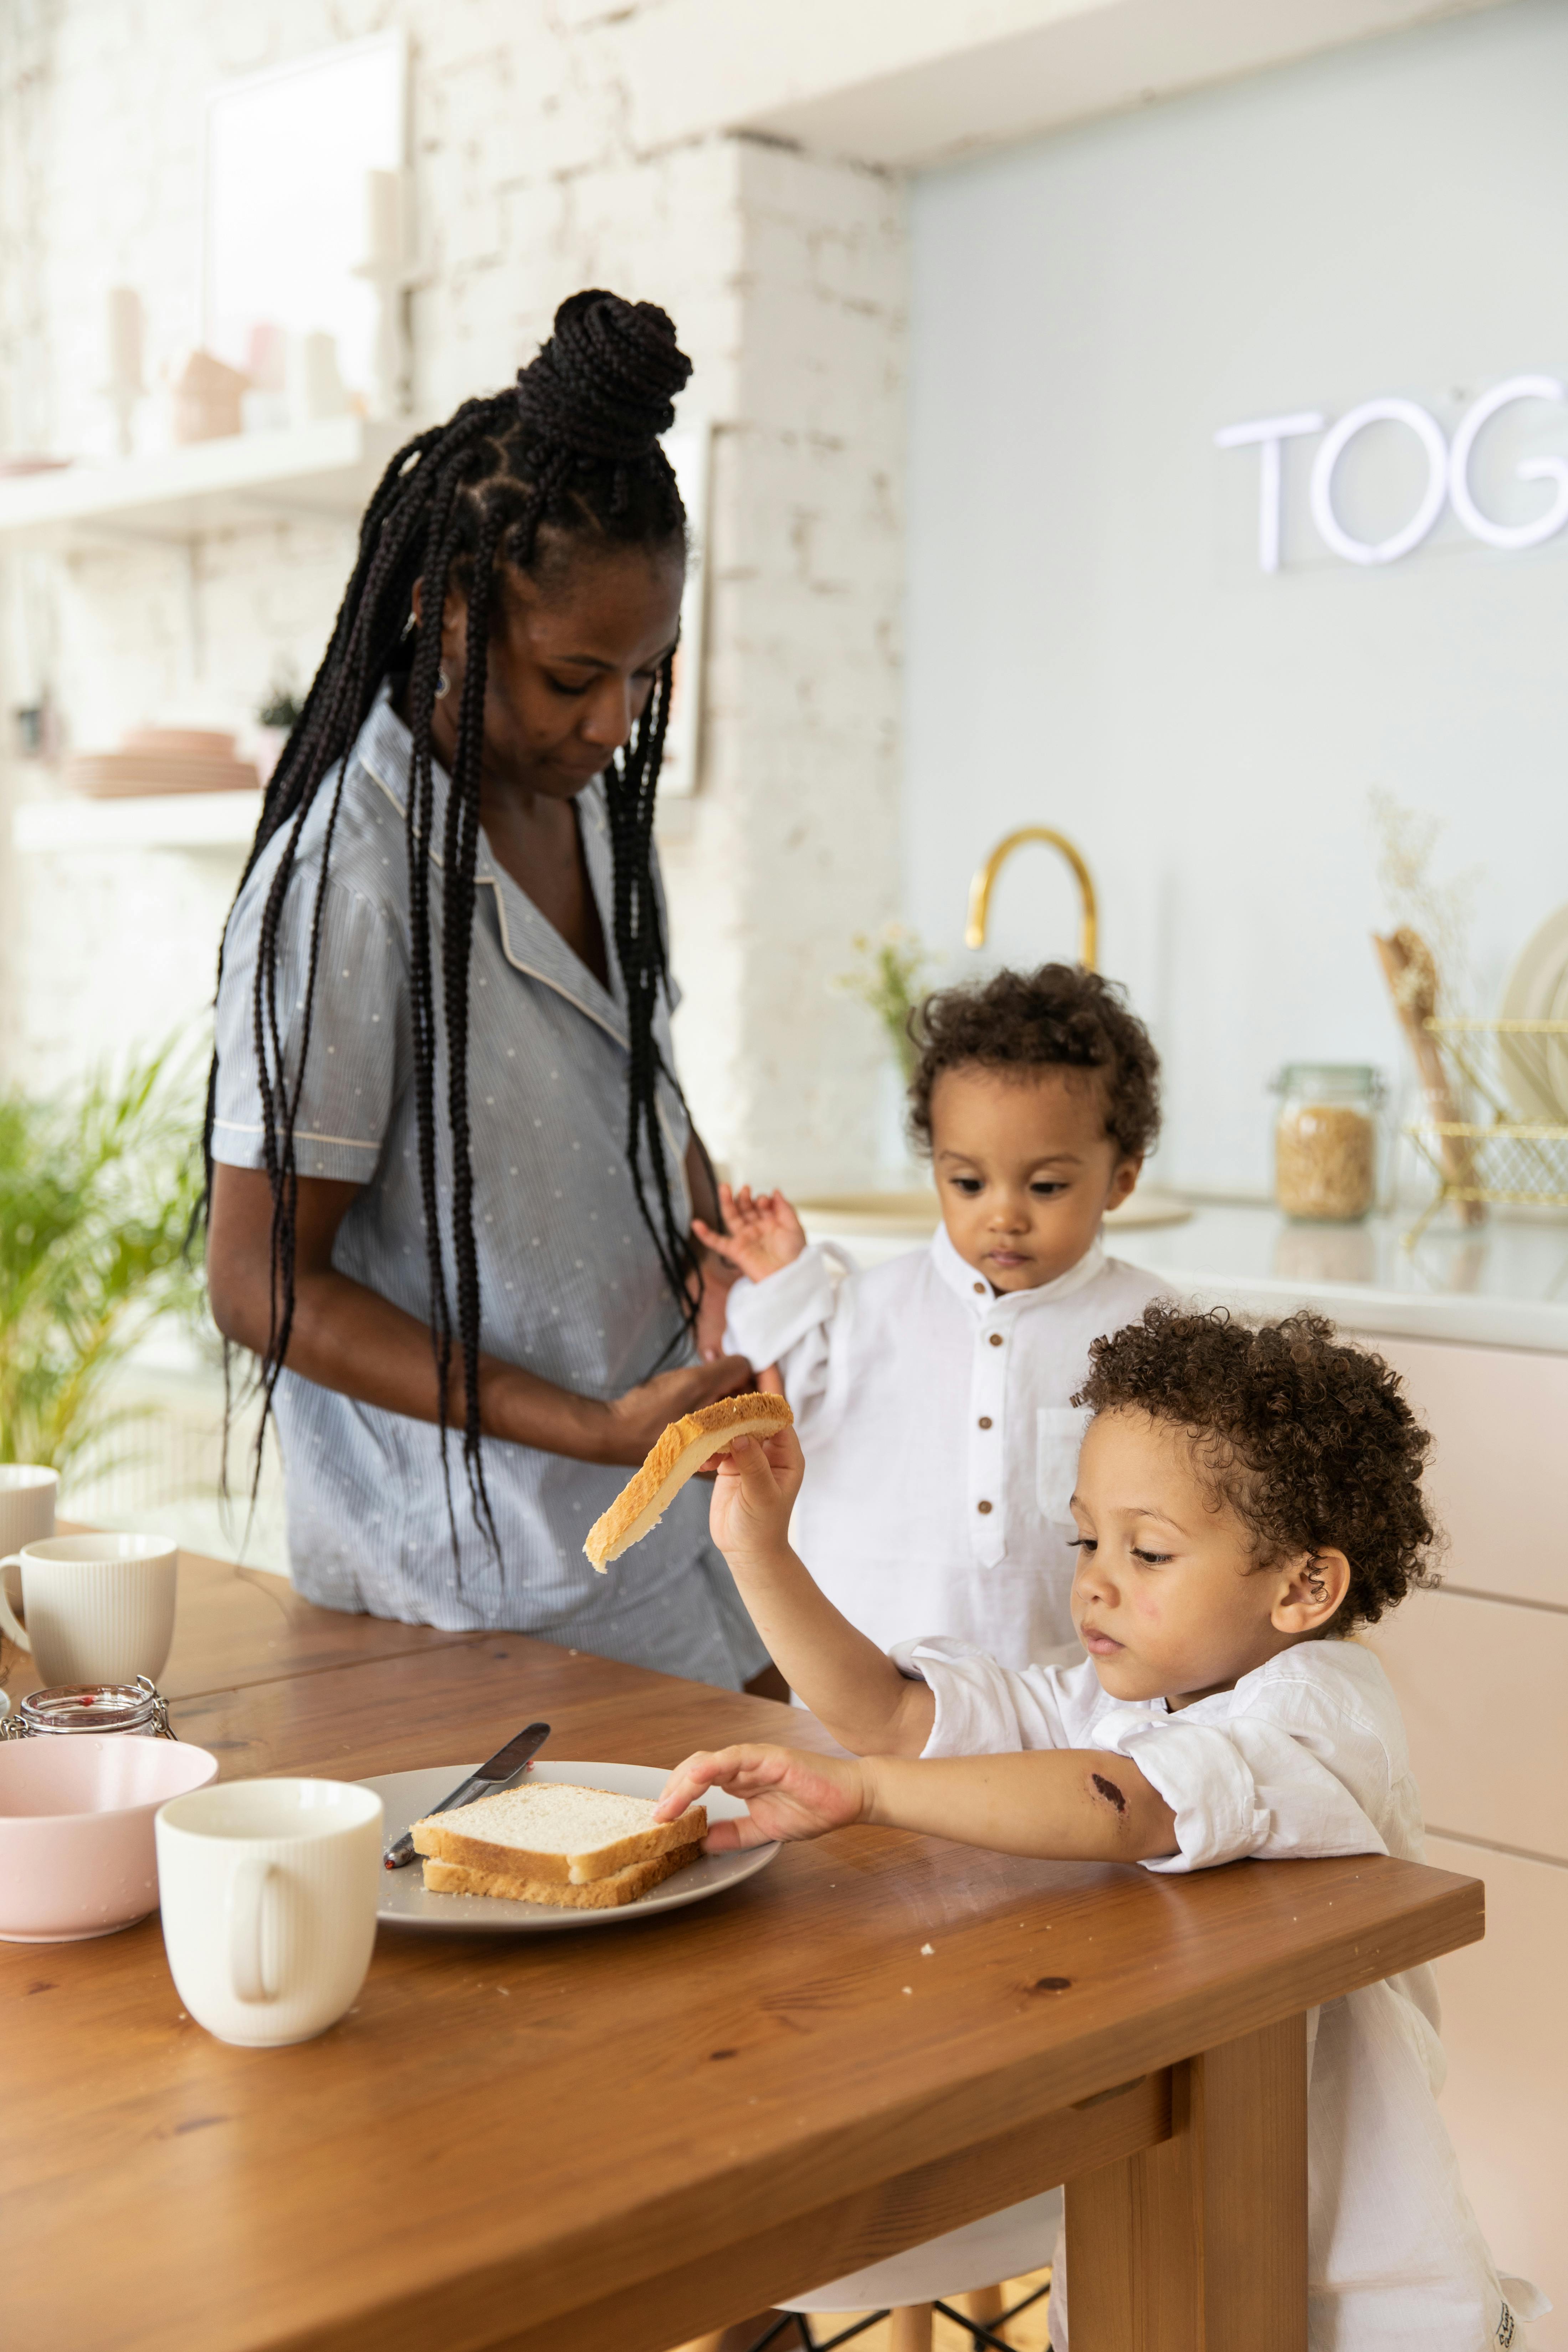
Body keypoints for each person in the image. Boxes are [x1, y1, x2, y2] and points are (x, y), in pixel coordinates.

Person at [655, 1304, 1546, 2351]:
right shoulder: (1125, 1694)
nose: (1094, 1577)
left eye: (1149, 1550)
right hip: (1158, 2229)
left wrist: (869, 1793)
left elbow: (1127, 1803)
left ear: (1303, 1586)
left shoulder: (1321, 1712)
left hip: (1342, 2288)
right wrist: (757, 1547)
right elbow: (892, 1714)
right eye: (1085, 1536)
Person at [202, 289, 771, 1692]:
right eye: (572, 675)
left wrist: (722, 1237)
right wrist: (578, 1421)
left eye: (644, 678)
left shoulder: (573, 803)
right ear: (437, 606)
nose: (609, 724)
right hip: (474, 1597)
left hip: (664, 1529)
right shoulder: (349, 877)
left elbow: (628, 1076)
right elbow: (260, 1281)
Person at [700, 965, 1166, 1666]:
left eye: (1046, 1185)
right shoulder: (862, 1308)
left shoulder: (1155, 1327)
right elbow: (767, 1400)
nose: (1004, 1214)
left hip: (1057, 1705)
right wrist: (784, 1279)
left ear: (1121, 1179)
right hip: (861, 1685)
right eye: (968, 1182)